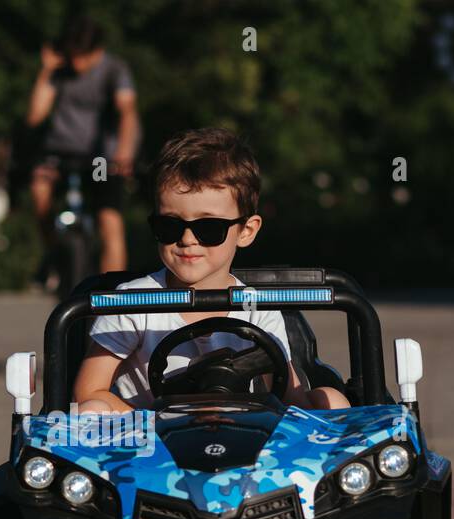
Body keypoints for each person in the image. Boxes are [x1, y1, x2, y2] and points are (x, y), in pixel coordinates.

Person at [73, 127, 352, 414]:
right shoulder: (133, 302)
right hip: (153, 447)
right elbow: (88, 391)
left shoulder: (259, 309)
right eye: (170, 225)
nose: (186, 239)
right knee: (92, 409)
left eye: (209, 228)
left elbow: (292, 400)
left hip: (244, 439)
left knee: (332, 399)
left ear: (246, 231)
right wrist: (155, 422)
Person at [26, 15, 140, 279]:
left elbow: (128, 112)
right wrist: (46, 70)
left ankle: (114, 291)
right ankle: (54, 256)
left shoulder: (115, 70)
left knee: (109, 221)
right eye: (72, 55)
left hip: (105, 157)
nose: (76, 63)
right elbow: (34, 116)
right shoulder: (59, 71)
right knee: (39, 190)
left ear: (97, 51)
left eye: (82, 56)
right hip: (61, 151)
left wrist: (124, 152)